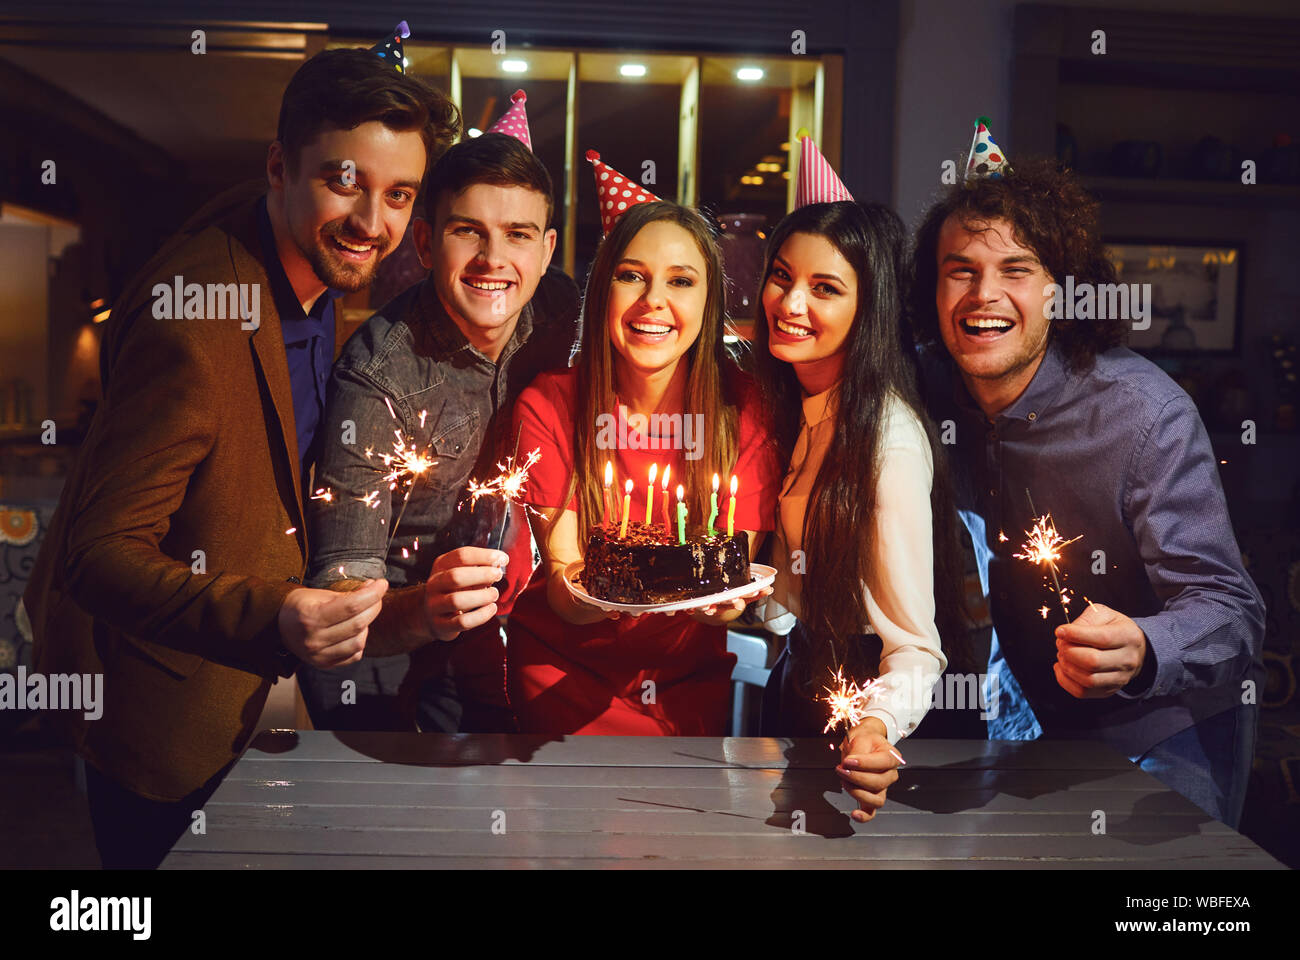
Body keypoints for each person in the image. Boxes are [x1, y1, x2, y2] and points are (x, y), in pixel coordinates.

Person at [21, 37, 460, 867]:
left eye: (398, 193)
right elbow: (97, 555)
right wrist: (277, 614)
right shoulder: (195, 314)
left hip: (262, 703)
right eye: (344, 181)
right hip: (165, 725)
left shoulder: (317, 272)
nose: (374, 223)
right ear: (278, 167)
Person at [911, 131, 1265, 828]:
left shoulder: (1145, 415)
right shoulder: (925, 385)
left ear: (1061, 290)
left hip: (1163, 728)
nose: (985, 295)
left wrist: (1144, 644)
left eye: (1016, 269)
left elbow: (1233, 609)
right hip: (1020, 711)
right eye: (961, 270)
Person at [297, 110, 580, 733]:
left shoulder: (566, 314)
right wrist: (425, 611)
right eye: (468, 231)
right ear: (425, 242)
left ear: (547, 248)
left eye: (519, 234)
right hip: (398, 680)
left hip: (542, 653)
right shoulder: (378, 376)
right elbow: (343, 595)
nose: (494, 259)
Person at [504, 153, 781, 735]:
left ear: (709, 302)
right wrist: (595, 593)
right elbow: (563, 583)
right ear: (603, 290)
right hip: (562, 679)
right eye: (632, 276)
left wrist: (725, 602)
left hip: (684, 688)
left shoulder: (745, 409)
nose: (654, 300)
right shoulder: (550, 403)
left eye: (681, 281)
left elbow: (727, 580)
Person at [751, 136, 966, 822]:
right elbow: (792, 593)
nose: (790, 303)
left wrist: (873, 730)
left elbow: (915, 646)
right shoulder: (788, 406)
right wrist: (741, 598)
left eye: (825, 289)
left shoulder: (887, 442)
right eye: (782, 276)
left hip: (862, 730)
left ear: (867, 309)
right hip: (792, 697)